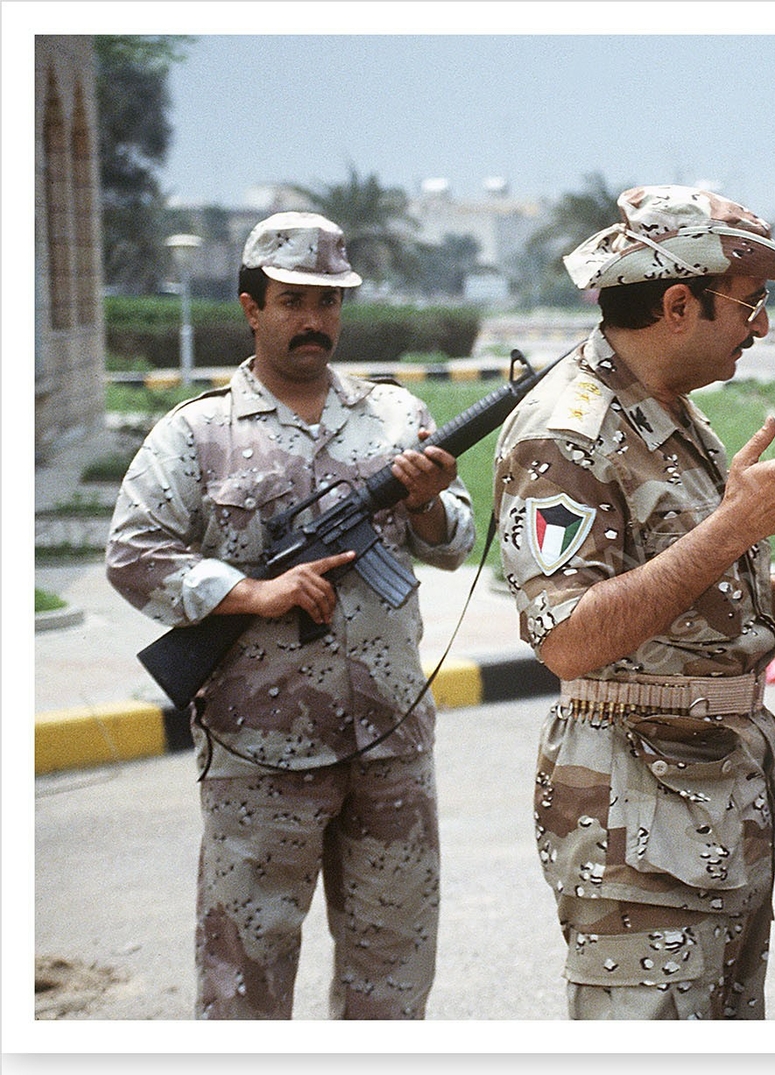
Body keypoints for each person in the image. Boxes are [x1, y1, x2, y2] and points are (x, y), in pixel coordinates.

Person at [492, 185, 775, 1020]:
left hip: (709, 808)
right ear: (678, 304)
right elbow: (567, 635)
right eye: (749, 303)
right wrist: (739, 524)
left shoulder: (669, 415)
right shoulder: (567, 431)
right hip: (637, 829)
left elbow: (660, 579)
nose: (760, 326)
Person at [106, 212, 474, 1019]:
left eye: (328, 301)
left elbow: (455, 541)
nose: (314, 319)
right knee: (245, 985)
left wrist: (424, 505)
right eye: (293, 301)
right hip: (260, 754)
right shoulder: (198, 432)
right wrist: (250, 593)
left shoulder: (394, 417)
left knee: (394, 978)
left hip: (390, 744)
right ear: (251, 307)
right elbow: (133, 553)